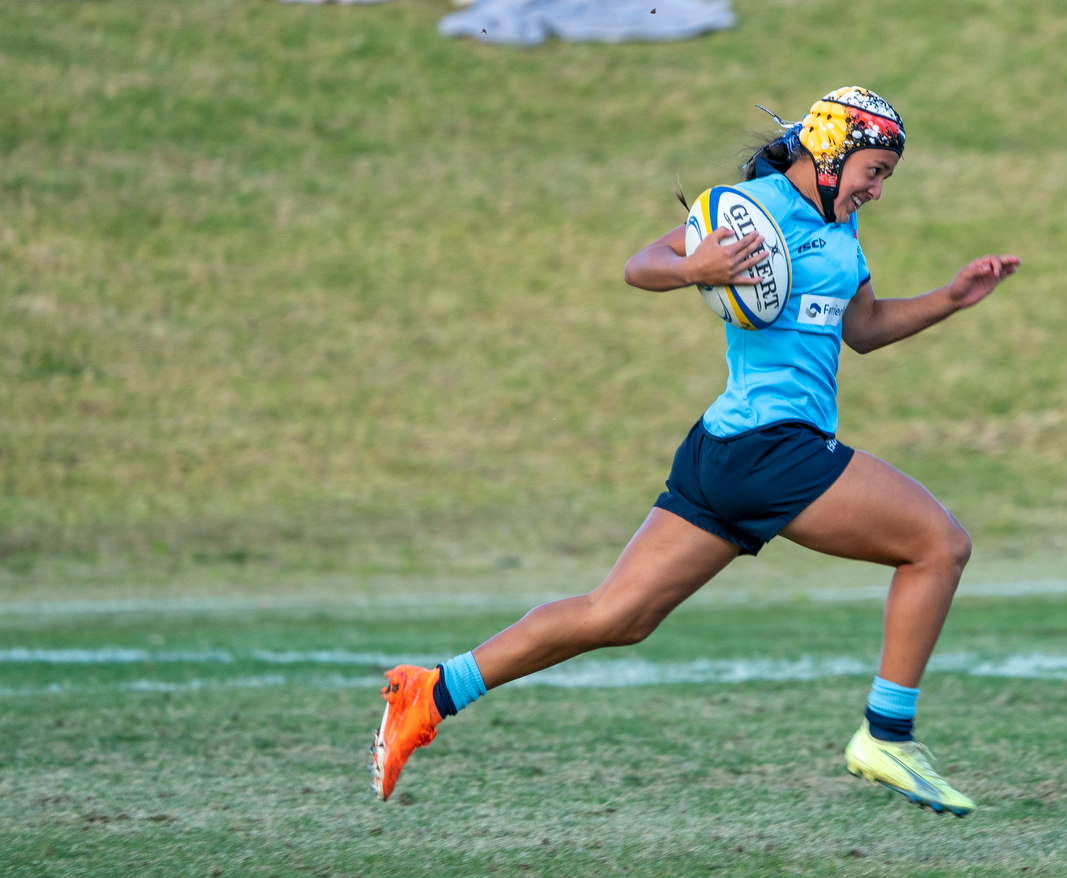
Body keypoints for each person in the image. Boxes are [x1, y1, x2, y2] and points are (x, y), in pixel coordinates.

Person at [370, 86, 1021, 816]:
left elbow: (862, 327)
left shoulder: (841, 230)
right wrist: (691, 269)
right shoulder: (751, 210)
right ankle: (887, 735)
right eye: (874, 169)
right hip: (772, 446)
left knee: (615, 615)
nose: (877, 188)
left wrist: (951, 298)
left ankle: (430, 690)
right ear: (831, 152)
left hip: (729, 447)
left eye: (885, 177)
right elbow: (640, 263)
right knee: (939, 546)